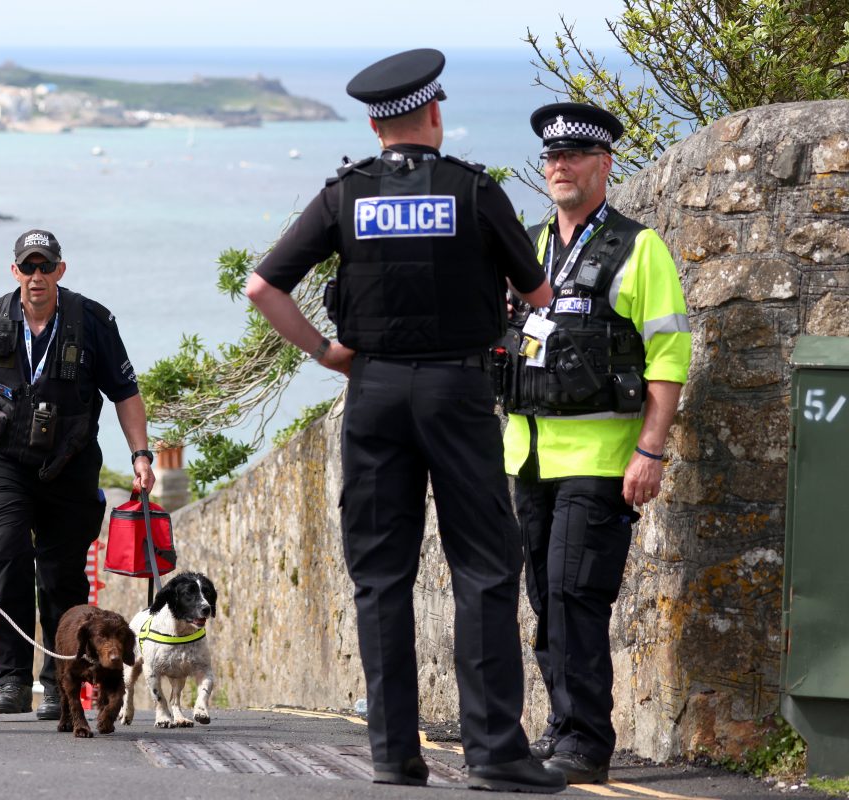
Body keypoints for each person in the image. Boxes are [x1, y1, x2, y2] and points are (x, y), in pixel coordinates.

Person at [246, 49, 563, 792]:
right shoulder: (473, 191)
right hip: (457, 390)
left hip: (375, 392)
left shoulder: (345, 195)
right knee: (484, 568)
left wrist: (328, 352)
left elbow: (263, 287)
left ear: (373, 122)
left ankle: (394, 754)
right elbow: (541, 292)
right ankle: (493, 754)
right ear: (434, 114)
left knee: (380, 575)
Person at [500, 103, 691, 784]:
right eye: (552, 158)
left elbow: (668, 354)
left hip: (603, 460)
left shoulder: (639, 249)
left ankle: (585, 741)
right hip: (528, 458)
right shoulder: (525, 250)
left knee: (576, 593)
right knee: (546, 599)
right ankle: (562, 726)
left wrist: (650, 450)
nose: (560, 167)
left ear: (604, 164)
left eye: (575, 156)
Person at [0, 229, 155, 720]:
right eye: (27, 267)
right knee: (8, 546)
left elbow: (126, 393)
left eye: (45, 267)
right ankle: (11, 678)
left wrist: (141, 455)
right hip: (1, 460)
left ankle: (59, 681)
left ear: (61, 270)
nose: (36, 276)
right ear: (13, 271)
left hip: (70, 463)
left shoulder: (92, 322)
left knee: (62, 577)